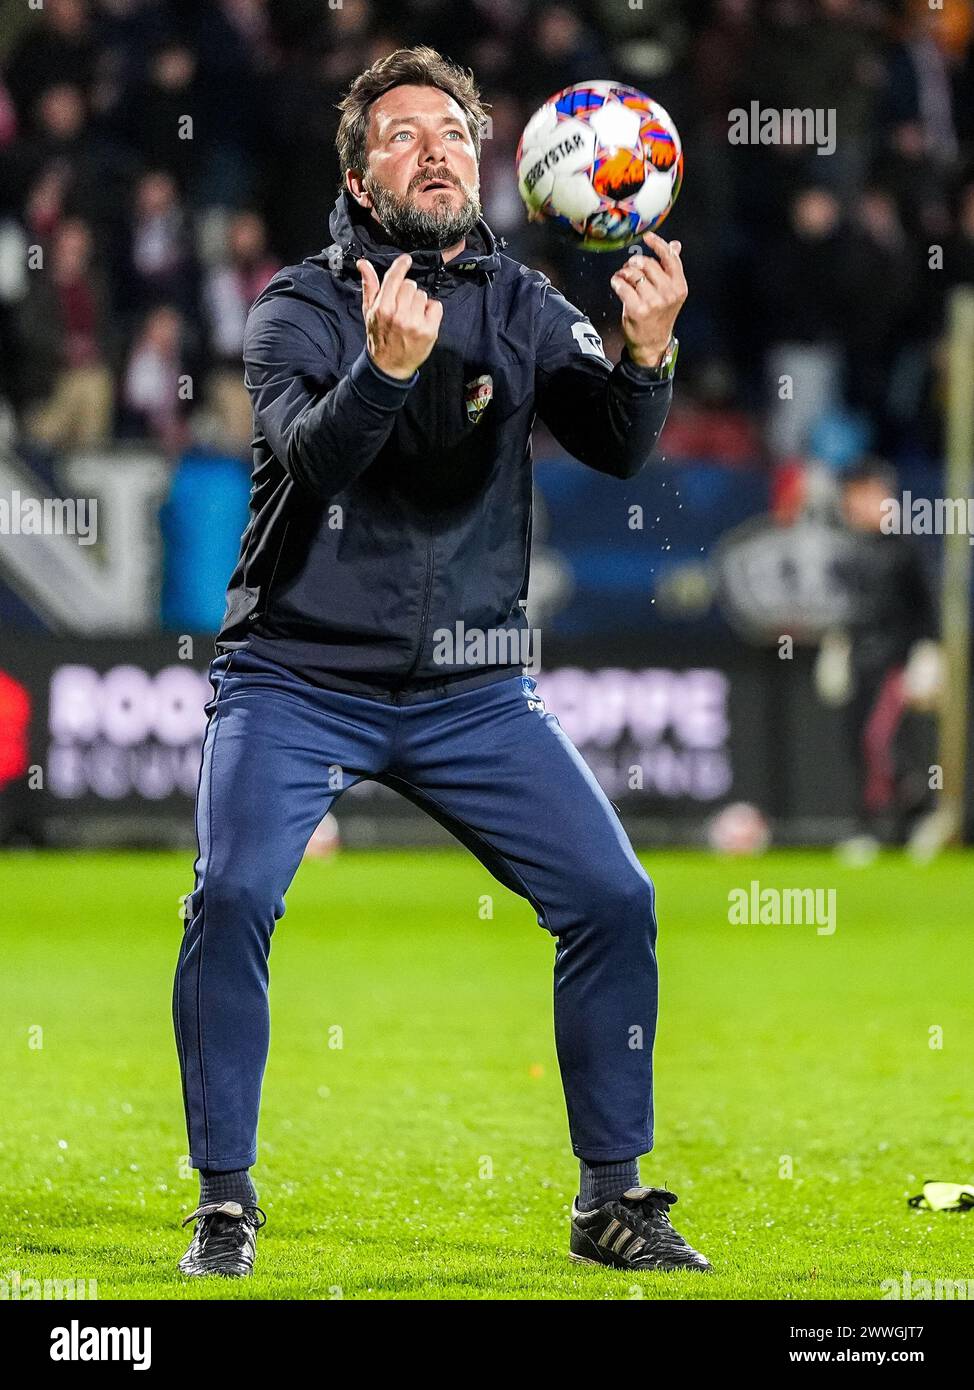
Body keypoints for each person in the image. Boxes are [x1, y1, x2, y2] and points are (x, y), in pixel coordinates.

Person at [172, 46, 708, 1279]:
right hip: (297, 675)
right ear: (361, 176)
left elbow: (618, 448)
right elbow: (312, 458)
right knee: (235, 897)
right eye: (405, 134)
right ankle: (224, 1199)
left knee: (613, 900)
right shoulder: (299, 305)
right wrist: (385, 371)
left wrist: (645, 356)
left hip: (473, 691)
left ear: (488, 162)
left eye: (455, 133)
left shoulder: (521, 301)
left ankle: (608, 1200)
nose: (436, 149)